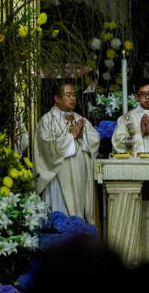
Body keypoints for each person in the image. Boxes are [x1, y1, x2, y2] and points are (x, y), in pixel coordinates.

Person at [34, 83, 100, 223]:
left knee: (79, 214)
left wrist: (82, 138)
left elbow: (94, 140)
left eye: (74, 95)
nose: (73, 98)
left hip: (81, 176)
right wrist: (71, 137)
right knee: (61, 215)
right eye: (68, 95)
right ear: (57, 98)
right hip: (59, 177)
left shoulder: (81, 120)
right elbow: (47, 146)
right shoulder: (47, 121)